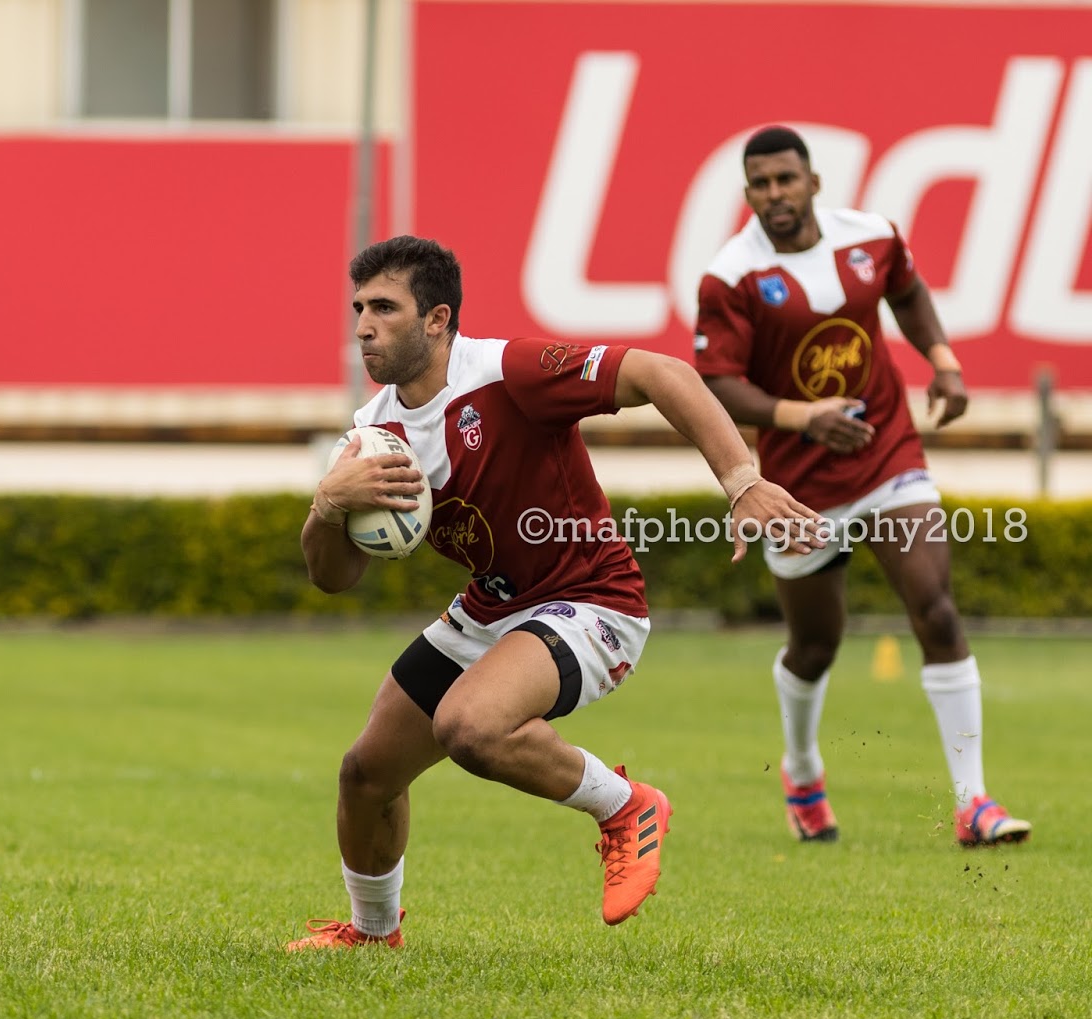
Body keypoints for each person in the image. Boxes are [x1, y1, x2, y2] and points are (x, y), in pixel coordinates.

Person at [286, 235, 824, 950]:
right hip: (493, 607)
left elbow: (664, 373)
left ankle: (628, 806)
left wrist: (742, 481)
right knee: (366, 774)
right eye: (358, 307)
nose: (363, 325)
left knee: (470, 726)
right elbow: (333, 577)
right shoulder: (372, 434)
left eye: (384, 307)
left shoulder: (508, 373)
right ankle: (374, 933)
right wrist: (328, 503)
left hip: (593, 599)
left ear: (438, 320)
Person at [693, 125, 1032, 848]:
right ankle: (804, 772)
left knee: (937, 611)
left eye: (787, 179)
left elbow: (906, 292)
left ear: (814, 182)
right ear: (747, 193)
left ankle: (974, 802)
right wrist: (801, 416)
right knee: (817, 645)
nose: (775, 195)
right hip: (797, 483)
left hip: (887, 454)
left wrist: (943, 360)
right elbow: (718, 382)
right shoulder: (731, 276)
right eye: (760, 184)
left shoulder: (872, 236)